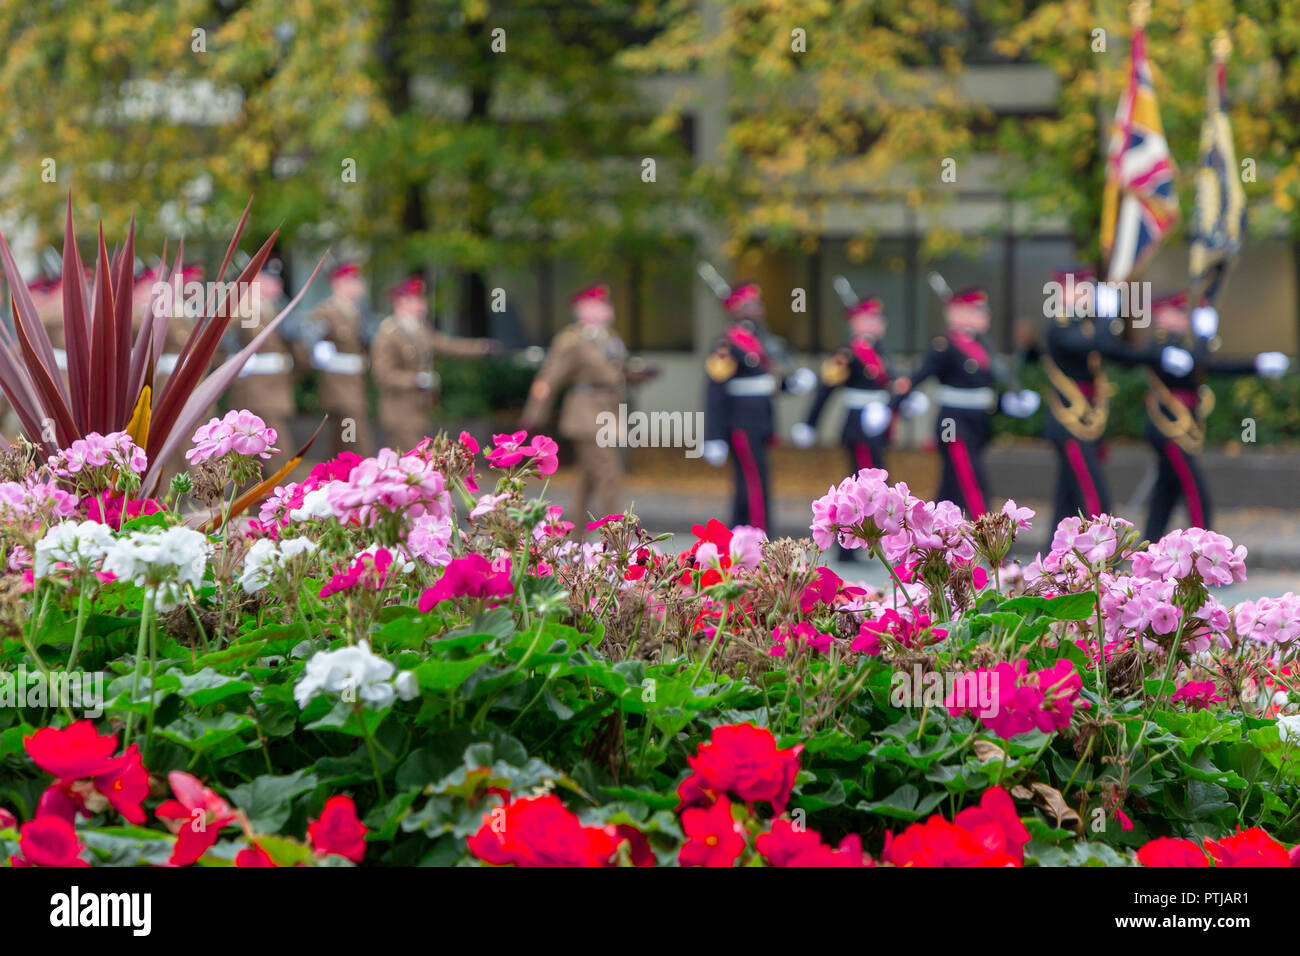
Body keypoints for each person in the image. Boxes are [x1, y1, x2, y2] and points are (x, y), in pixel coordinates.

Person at [1126, 292, 1288, 540]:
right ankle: (1205, 556)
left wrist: (1256, 365)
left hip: (1181, 428)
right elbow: (1200, 362)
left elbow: (1212, 367)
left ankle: (1149, 553)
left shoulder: (1178, 343)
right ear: (1162, 315)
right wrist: (1205, 336)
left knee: (1165, 496)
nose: (1183, 318)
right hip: (1169, 428)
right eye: (1177, 312)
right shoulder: (1161, 346)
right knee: (1195, 493)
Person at [896, 286, 1039, 518]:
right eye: (977, 311)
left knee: (951, 487)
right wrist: (896, 402)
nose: (985, 316)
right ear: (957, 314)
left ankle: (934, 538)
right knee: (972, 482)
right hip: (952, 425)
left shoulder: (981, 346)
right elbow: (917, 378)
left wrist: (1009, 403)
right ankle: (990, 540)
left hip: (976, 425)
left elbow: (980, 393)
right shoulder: (945, 345)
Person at [520, 282, 654, 527]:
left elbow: (615, 370)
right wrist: (532, 418)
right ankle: (617, 540)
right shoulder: (572, 340)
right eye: (601, 304)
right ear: (584, 309)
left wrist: (639, 374)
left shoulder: (609, 337)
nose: (608, 308)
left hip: (607, 412)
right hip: (586, 416)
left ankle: (575, 539)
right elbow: (549, 378)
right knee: (609, 476)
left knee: (587, 481)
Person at [701, 279, 815, 532]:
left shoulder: (758, 339)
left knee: (749, 482)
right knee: (755, 483)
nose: (759, 309)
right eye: (752, 304)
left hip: (760, 419)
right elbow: (715, 391)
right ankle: (760, 537)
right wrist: (713, 436)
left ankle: (736, 538)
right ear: (736, 309)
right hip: (741, 421)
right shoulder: (727, 344)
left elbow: (763, 383)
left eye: (758, 303)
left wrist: (791, 384)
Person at [1040, 265, 1132, 531]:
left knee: (1067, 503)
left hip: (1086, 422)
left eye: (1088, 288)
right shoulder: (1061, 324)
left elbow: (1117, 352)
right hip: (1070, 424)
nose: (1086, 294)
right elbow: (1092, 344)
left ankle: (1055, 565)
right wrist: (1107, 317)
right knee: (1094, 498)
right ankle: (1099, 562)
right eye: (1079, 288)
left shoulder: (1086, 325)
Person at [371, 275, 496, 452]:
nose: (422, 305)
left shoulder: (420, 329)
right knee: (412, 464)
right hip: (399, 412)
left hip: (419, 410)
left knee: (417, 466)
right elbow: (382, 375)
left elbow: (447, 345)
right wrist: (416, 379)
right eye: (415, 300)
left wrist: (482, 347)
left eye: (421, 299)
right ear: (400, 303)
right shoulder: (388, 334)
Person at [793, 296, 900, 477]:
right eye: (870, 319)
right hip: (857, 424)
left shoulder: (880, 349)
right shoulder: (847, 354)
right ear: (854, 323)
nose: (878, 323)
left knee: (880, 476)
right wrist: (810, 423)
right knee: (865, 479)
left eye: (877, 318)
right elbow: (826, 390)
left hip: (880, 421)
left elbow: (891, 383)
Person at [224, 255, 297, 450]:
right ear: (254, 280)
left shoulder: (269, 307)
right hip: (255, 392)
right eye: (270, 279)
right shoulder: (243, 308)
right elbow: (225, 345)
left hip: (271, 388)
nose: (278, 285)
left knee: (257, 457)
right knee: (274, 453)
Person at [307, 262, 376, 458]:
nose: (359, 285)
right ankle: (363, 470)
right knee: (354, 434)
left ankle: (335, 475)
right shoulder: (326, 311)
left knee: (342, 439)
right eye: (353, 281)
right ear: (338, 284)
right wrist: (319, 351)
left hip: (355, 382)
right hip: (338, 385)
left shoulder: (358, 311)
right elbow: (311, 341)